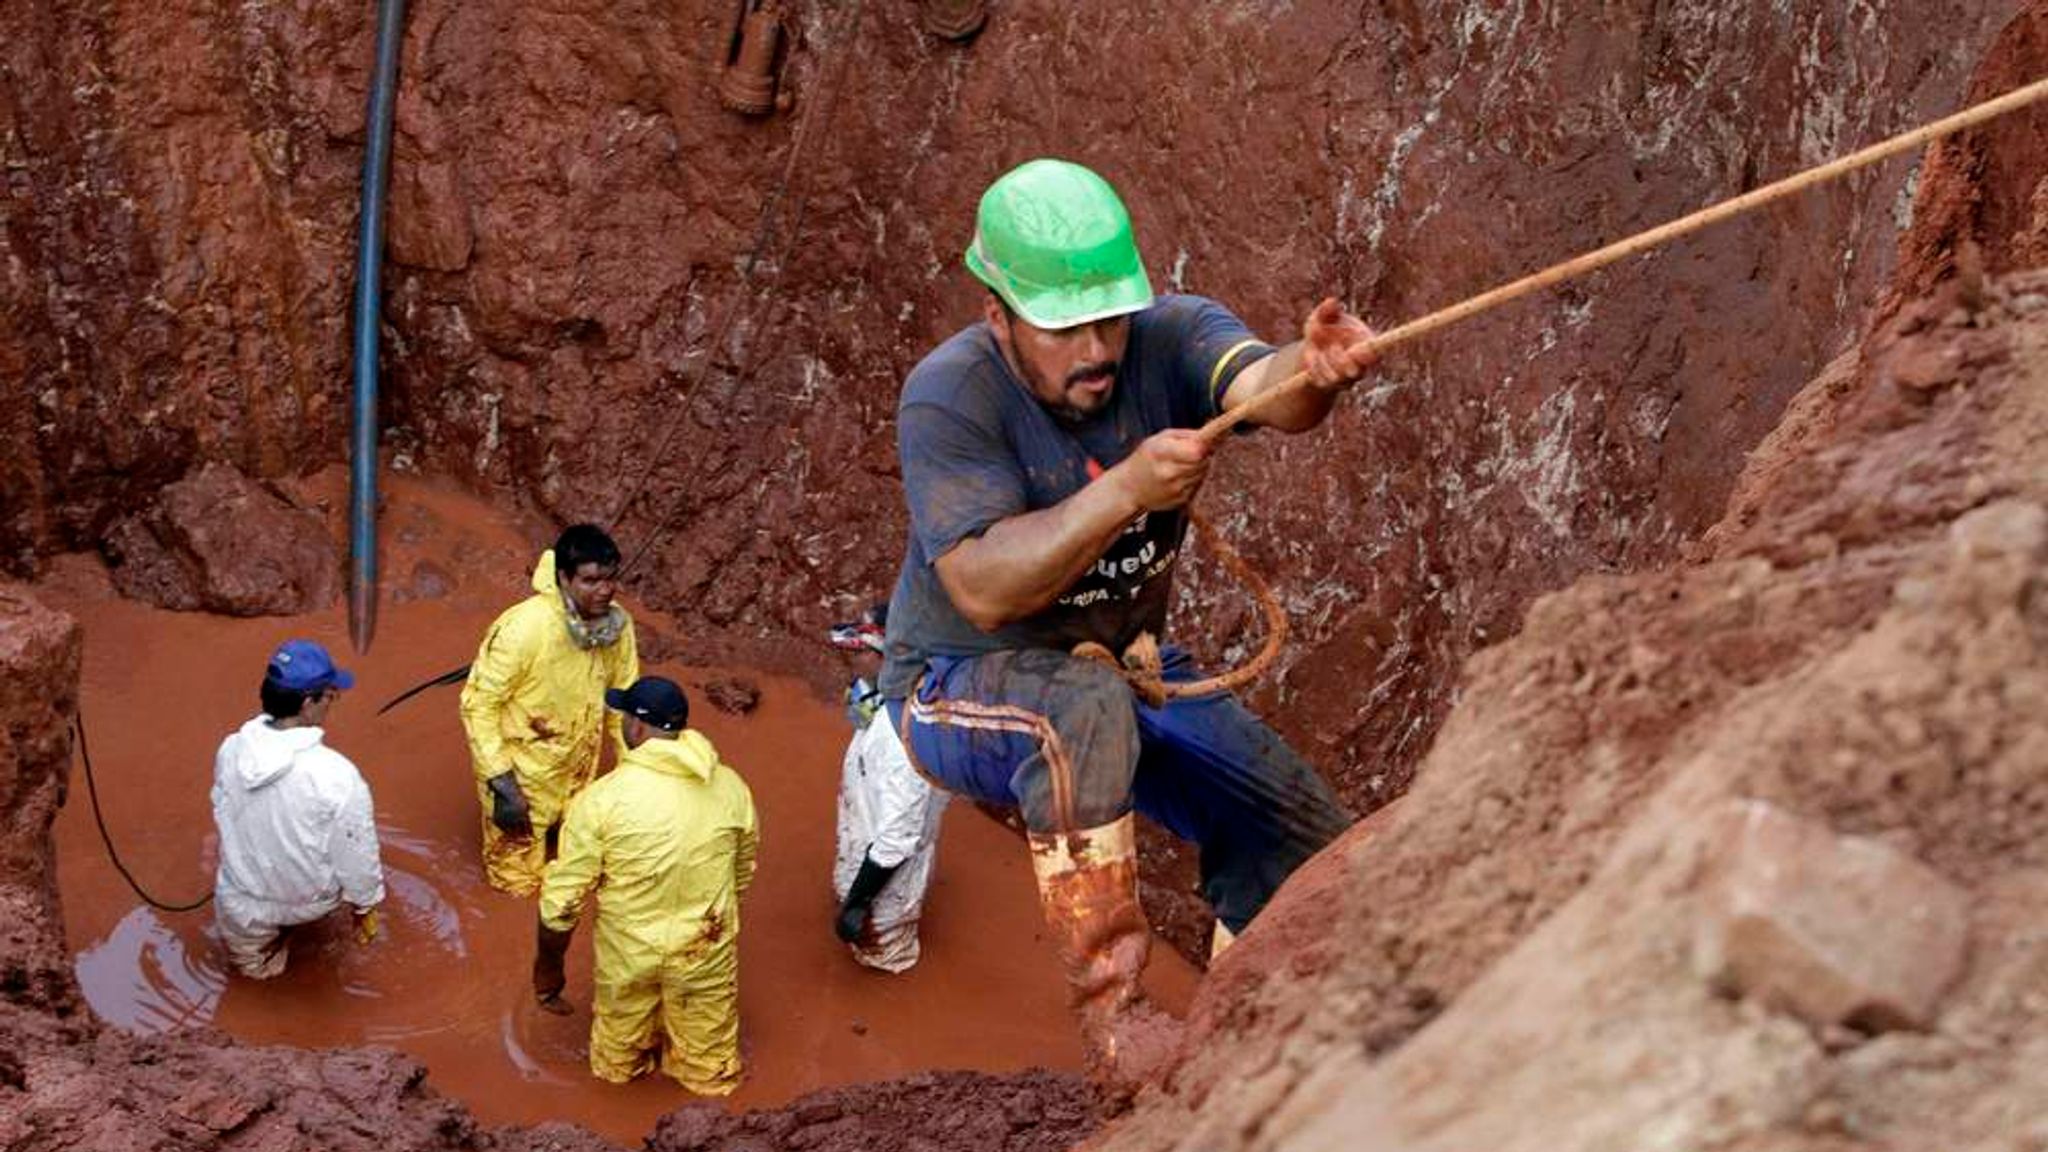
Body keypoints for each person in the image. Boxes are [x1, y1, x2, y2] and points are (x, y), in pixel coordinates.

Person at [880, 158, 1379, 1083]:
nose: (1098, 349)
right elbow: (986, 589)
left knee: (1307, 834)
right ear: (999, 315)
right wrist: (1126, 495)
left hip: (1123, 662)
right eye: (1065, 330)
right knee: (1083, 711)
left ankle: (1251, 1036)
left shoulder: (1172, 335)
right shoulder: (951, 396)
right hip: (953, 682)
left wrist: (1315, 373)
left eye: (1110, 318)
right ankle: (1116, 1026)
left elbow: (1266, 387)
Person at [534, 676, 759, 1095]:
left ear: (636, 728)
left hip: (629, 955)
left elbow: (560, 904)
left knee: (617, 1065)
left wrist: (548, 971)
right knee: (710, 1069)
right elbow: (741, 874)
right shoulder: (730, 786)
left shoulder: (601, 800)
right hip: (704, 950)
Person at [460, 523, 641, 896]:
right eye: (591, 581)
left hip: (578, 767)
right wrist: (502, 784)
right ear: (563, 577)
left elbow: (622, 703)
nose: (605, 591)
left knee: (581, 862)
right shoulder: (523, 628)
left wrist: (636, 777)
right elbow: (477, 705)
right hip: (522, 773)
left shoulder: (618, 628)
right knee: (516, 884)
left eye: (611, 579)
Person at [211, 639, 384, 979]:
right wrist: (366, 905)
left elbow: (225, 809)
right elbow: (357, 853)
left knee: (254, 986)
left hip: (240, 903)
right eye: (330, 696)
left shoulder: (231, 749)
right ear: (308, 703)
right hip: (310, 901)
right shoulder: (336, 775)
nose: (331, 705)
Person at [829, 605, 948, 972]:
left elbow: (897, 837)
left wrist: (858, 903)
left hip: (887, 881)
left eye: (861, 653)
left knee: (881, 953)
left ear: (892, 659)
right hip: (862, 840)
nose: (850, 662)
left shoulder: (904, 741)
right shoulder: (884, 700)